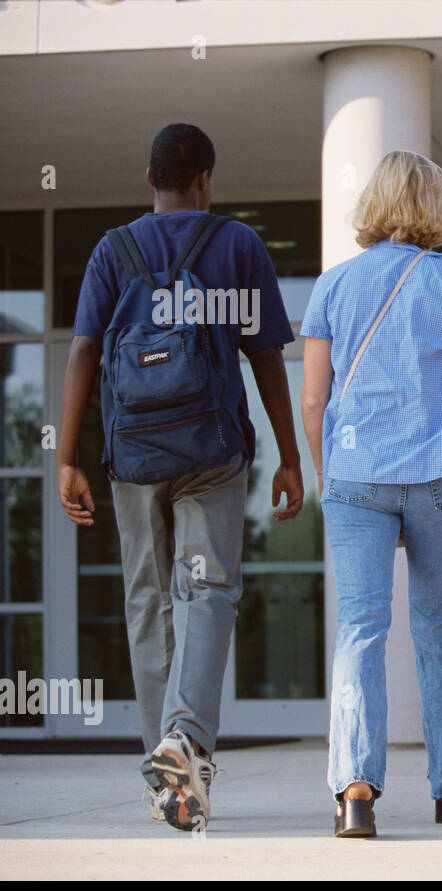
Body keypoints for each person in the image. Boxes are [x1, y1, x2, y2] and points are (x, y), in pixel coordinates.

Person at [57, 123, 304, 831]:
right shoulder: (236, 245)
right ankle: (185, 743)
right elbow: (264, 358)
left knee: (148, 600)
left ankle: (168, 768)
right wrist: (289, 453)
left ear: (150, 179)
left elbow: (81, 352)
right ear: (207, 179)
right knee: (208, 589)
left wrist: (66, 455)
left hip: (132, 459)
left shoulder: (113, 250)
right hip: (211, 454)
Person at [300, 150, 442, 838]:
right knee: (438, 629)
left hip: (355, 478)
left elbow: (313, 399)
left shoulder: (333, 286)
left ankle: (356, 790)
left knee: (360, 628)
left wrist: (328, 476)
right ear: (435, 207)